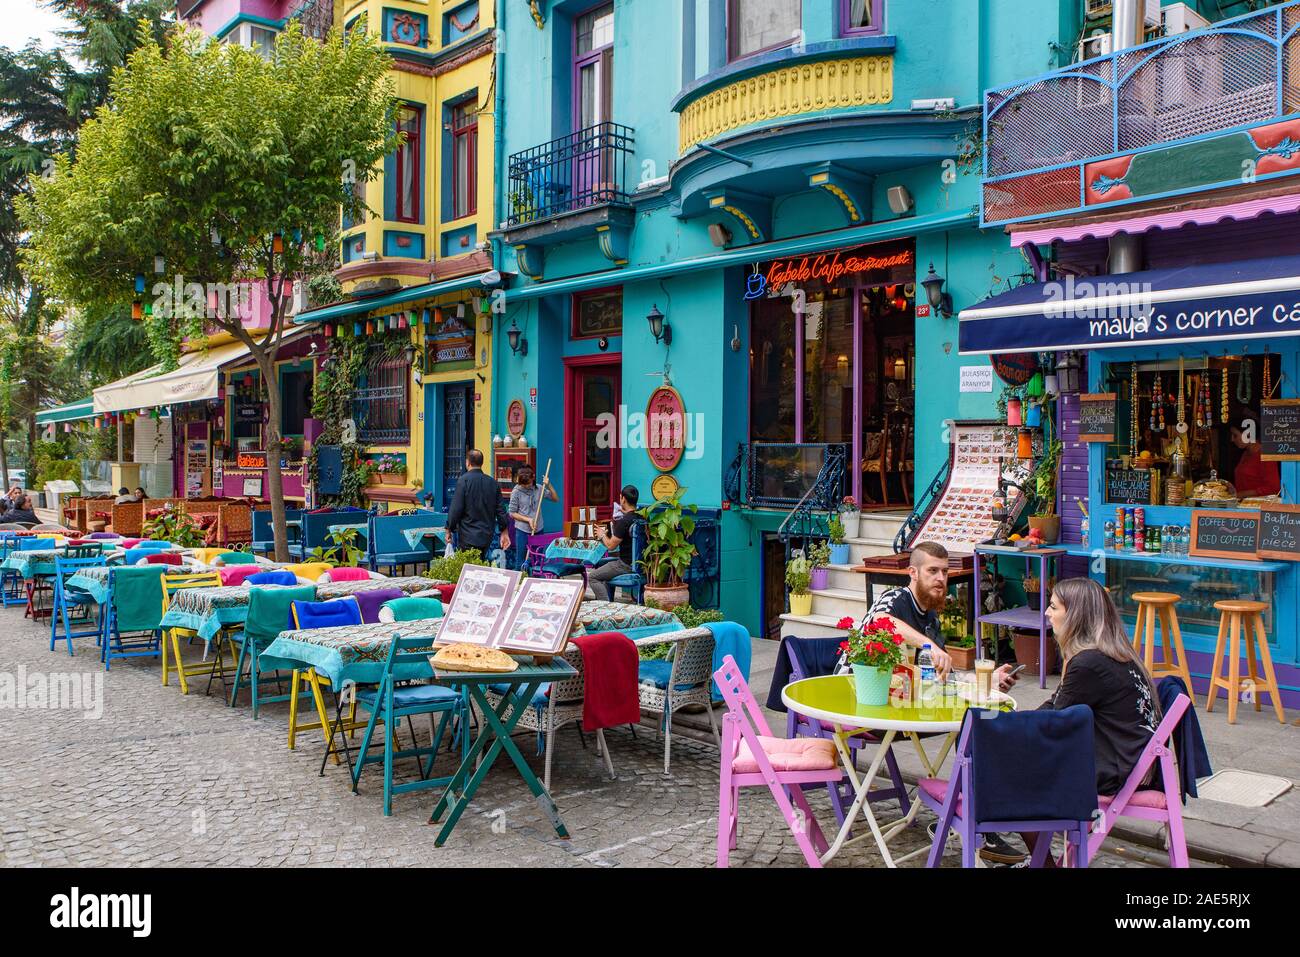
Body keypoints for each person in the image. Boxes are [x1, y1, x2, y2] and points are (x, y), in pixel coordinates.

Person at [985, 577, 1163, 867]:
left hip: (1114, 769)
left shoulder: (1089, 663)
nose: (1046, 613)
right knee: (1008, 754)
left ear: (1076, 615)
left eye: (1053, 606)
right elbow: (1056, 706)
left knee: (1007, 773)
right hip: (1128, 760)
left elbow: (1053, 724)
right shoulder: (1113, 655)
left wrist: (1004, 723)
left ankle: (1044, 866)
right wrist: (1011, 718)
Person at [852, 541, 1018, 687]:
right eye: (932, 570)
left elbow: (946, 675)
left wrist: (986, 682)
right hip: (854, 689)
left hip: (895, 695)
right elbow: (881, 621)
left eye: (944, 572)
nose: (941, 578)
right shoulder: (894, 598)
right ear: (913, 573)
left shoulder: (931, 617)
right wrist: (929, 645)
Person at [446, 449, 511, 559]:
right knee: (481, 565)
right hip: (486, 535)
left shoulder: (463, 481)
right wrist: (504, 531)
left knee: (468, 568)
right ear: (482, 463)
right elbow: (501, 510)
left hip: (467, 535)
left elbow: (456, 509)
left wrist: (449, 528)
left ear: (468, 462)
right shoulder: (492, 483)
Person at [588, 485, 643, 601]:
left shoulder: (623, 522)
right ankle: (610, 600)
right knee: (604, 569)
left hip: (625, 565)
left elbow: (611, 546)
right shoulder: (641, 519)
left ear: (622, 499)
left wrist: (602, 534)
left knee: (593, 577)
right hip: (641, 564)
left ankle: (606, 606)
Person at [507, 466, 558, 570]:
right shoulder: (516, 491)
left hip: (538, 529)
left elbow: (555, 499)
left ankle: (535, 582)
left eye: (528, 484)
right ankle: (519, 583)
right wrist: (528, 519)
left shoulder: (539, 488)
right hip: (522, 530)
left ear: (532, 478)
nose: (526, 487)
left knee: (537, 560)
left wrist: (549, 485)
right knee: (520, 561)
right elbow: (512, 513)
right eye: (523, 485)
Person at [1230, 413, 1280, 498]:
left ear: (1248, 434)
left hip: (1258, 507)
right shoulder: (1246, 454)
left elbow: (1274, 488)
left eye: (1235, 435)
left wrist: (1240, 495)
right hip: (1243, 506)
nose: (1232, 439)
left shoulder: (1265, 456)